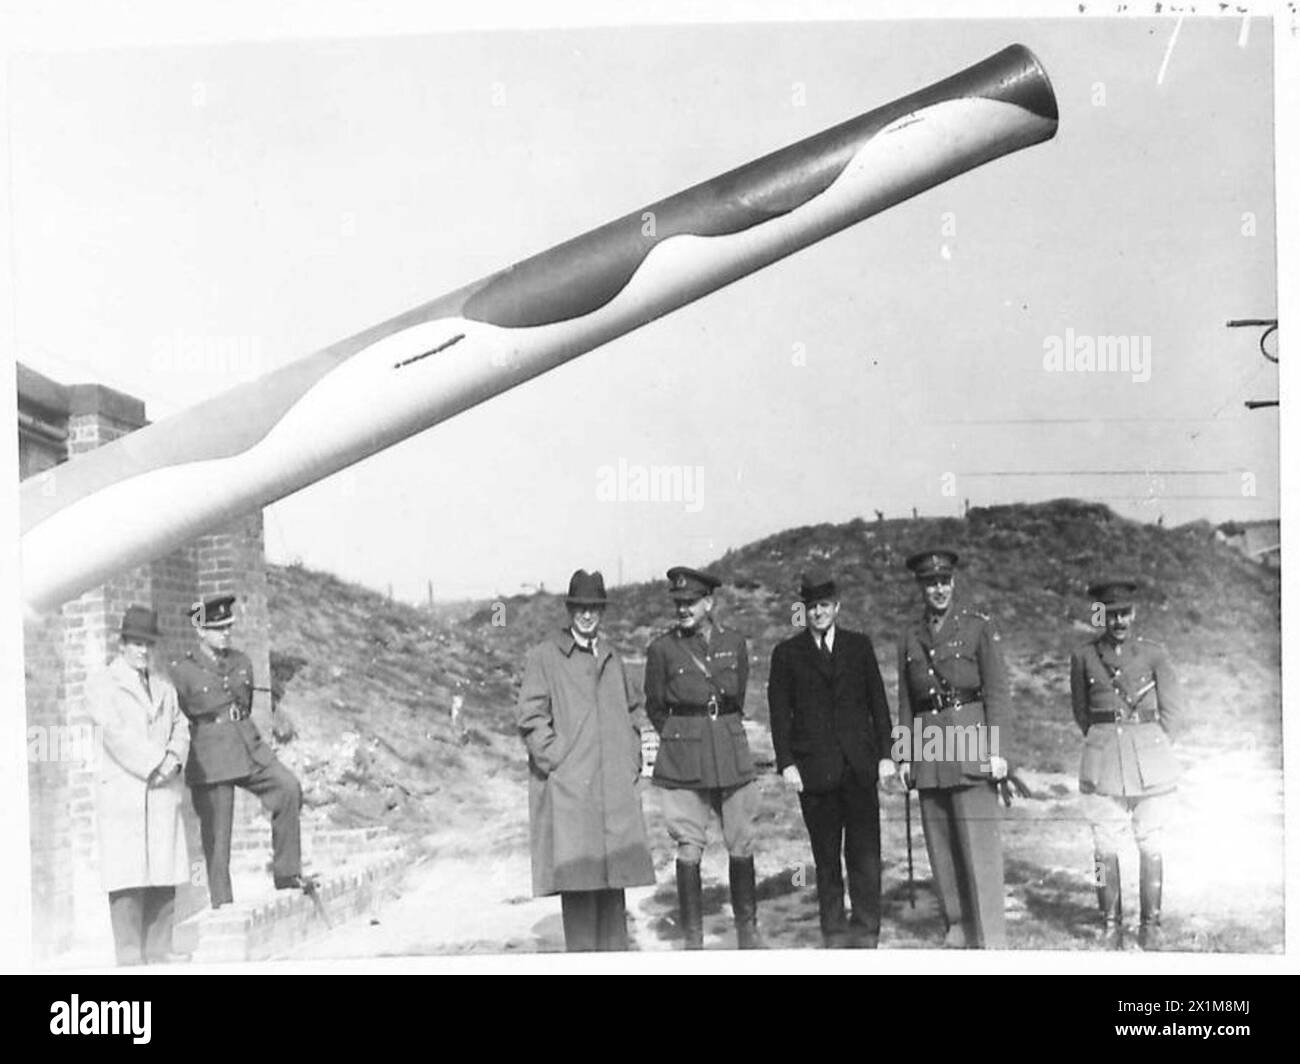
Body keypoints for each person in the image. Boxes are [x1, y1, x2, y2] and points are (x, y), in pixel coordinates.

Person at [515, 569, 655, 951]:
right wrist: (557, 760)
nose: (587, 615)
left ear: (602, 611)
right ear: (570, 610)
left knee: (613, 888)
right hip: (571, 791)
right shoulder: (545, 657)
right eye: (580, 608)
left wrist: (630, 760)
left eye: (594, 608)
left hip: (613, 789)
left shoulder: (611, 657)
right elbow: (530, 717)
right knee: (579, 882)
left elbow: (632, 711)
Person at [768, 571, 896, 948]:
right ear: (803, 611)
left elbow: (878, 704)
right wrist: (786, 763)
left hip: (859, 769)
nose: (818, 613)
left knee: (865, 854)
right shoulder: (787, 654)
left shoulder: (859, 647)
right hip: (814, 774)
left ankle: (867, 929)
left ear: (837, 607)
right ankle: (834, 933)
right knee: (825, 860)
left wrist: (887, 755)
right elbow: (779, 714)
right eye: (811, 607)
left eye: (825, 606)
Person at [896, 549, 1010, 949]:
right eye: (930, 583)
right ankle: (957, 926)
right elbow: (907, 701)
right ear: (921, 587)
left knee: (978, 845)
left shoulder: (977, 628)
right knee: (940, 844)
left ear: (953, 583)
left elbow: (996, 691)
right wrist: (904, 754)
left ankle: (990, 934)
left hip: (970, 740)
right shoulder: (910, 636)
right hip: (928, 746)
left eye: (944, 581)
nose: (938, 589)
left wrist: (998, 751)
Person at [645, 566, 761, 949]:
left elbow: (736, 697)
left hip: (729, 750)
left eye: (690, 602)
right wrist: (683, 737)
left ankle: (748, 931)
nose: (683, 609)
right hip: (684, 757)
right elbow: (656, 706)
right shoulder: (662, 650)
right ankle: (693, 939)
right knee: (688, 845)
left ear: (709, 602)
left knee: (741, 841)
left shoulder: (734, 642)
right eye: (678, 603)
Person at [169, 593, 309, 908]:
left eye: (228, 628)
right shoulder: (182, 671)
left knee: (287, 787)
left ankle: (287, 873)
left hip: (247, 743)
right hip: (210, 753)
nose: (225, 634)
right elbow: (180, 717)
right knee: (218, 836)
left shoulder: (241, 661)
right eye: (218, 629)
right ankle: (222, 902)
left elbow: (243, 704)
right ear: (201, 631)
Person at [1071, 578, 1183, 951]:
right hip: (1103, 763)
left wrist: (1151, 745)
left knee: (1151, 842)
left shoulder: (1154, 654)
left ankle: (1151, 923)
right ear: (1100, 614)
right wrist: (1106, 742)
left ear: (1134, 614)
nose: (1119, 621)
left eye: (1125, 614)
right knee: (1104, 847)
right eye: (1111, 614)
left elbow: (1173, 713)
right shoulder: (1084, 657)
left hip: (1150, 764)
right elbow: (1082, 713)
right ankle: (1109, 922)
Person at [85, 605, 191, 965]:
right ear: (122, 644)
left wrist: (175, 759)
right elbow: (115, 734)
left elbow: (180, 726)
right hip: (125, 791)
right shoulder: (103, 684)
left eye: (148, 644)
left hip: (162, 789)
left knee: (163, 870)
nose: (143, 651)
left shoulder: (163, 685)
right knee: (128, 876)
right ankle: (130, 958)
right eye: (135, 643)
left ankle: (159, 951)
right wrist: (156, 762)